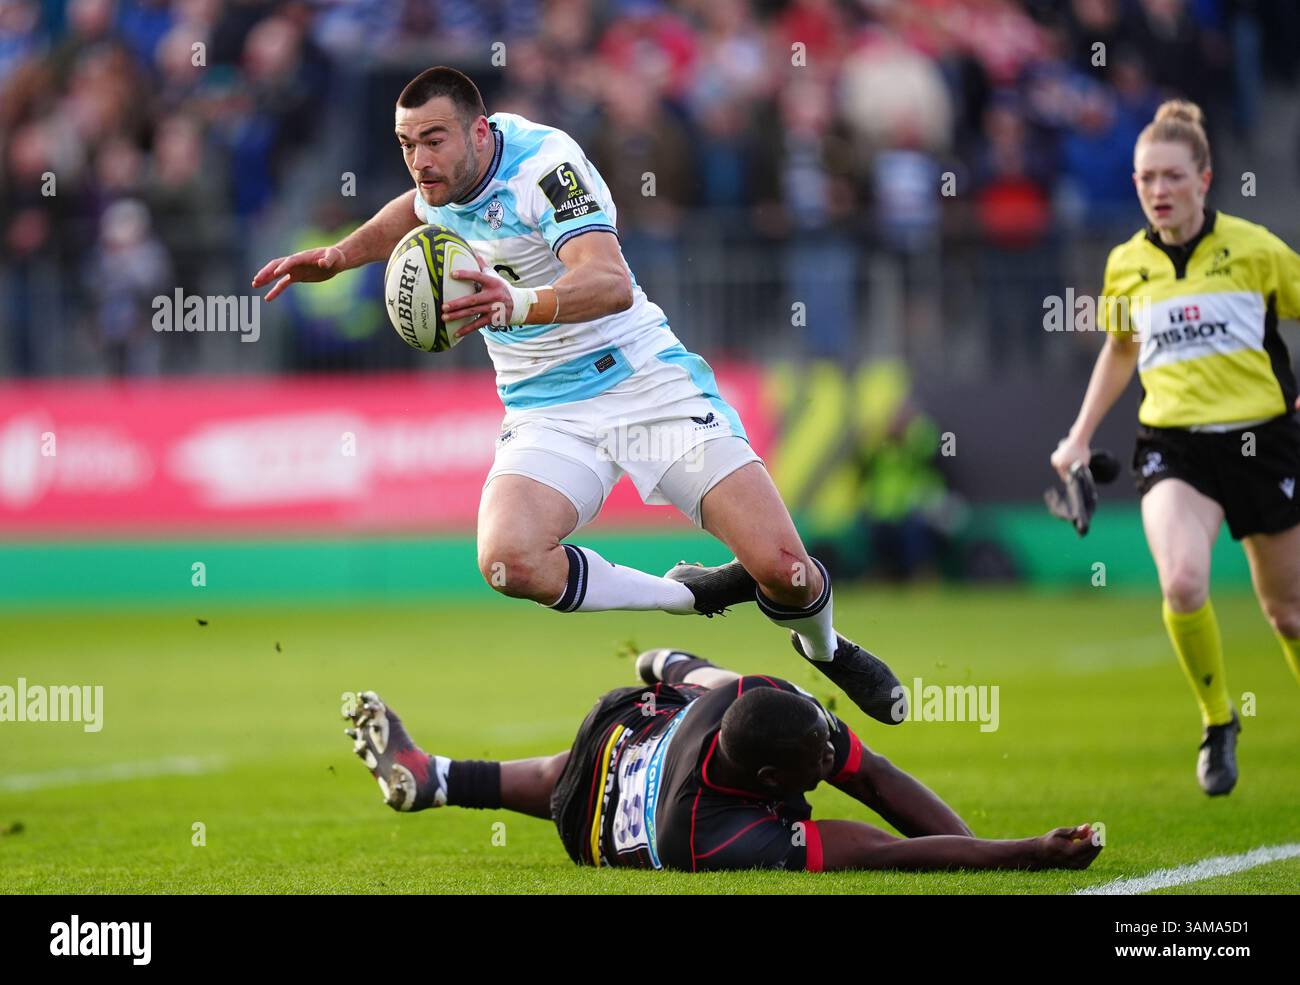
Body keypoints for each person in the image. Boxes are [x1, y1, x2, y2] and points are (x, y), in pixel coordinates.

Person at [253, 66, 900, 722]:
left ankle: (825, 648)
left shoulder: (546, 166)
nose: (419, 160)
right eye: (406, 144)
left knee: (785, 570)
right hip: (544, 406)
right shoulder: (440, 178)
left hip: (643, 383)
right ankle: (687, 596)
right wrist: (338, 256)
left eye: (434, 140)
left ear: (480, 131)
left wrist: (519, 303)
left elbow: (610, 281)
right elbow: (413, 211)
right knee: (509, 561)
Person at [1051, 100, 1300, 796]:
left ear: (1205, 178)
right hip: (1175, 447)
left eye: (1171, 176)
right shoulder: (1127, 263)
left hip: (1265, 441)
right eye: (1144, 179)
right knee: (1183, 581)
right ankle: (1218, 719)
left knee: (1288, 614)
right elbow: (1121, 347)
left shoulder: (1256, 250)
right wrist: (1077, 435)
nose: (1157, 190)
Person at [343, 649, 1101, 873]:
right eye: (818, 756)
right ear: (772, 783)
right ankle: (436, 775)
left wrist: (664, 658)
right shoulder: (710, 834)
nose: (831, 755)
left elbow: (877, 776)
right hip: (601, 821)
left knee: (566, 765)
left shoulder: (768, 701)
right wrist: (1025, 854)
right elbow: (880, 853)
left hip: (635, 727)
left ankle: (433, 776)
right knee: (567, 785)